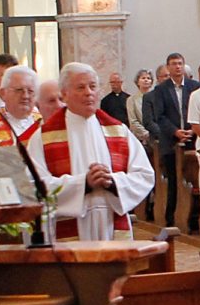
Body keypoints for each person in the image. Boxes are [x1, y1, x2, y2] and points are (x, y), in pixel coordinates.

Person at [28, 63, 154, 242]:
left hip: (111, 221)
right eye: (81, 87)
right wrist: (83, 184)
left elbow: (145, 176)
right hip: (68, 225)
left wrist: (113, 182)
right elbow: (33, 186)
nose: (89, 93)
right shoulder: (44, 137)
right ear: (64, 94)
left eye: (93, 86)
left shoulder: (119, 131)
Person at [144, 53, 200, 230]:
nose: (177, 67)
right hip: (170, 140)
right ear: (168, 67)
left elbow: (199, 111)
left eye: (180, 63)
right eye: (174, 64)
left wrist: (192, 130)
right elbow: (159, 116)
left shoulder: (194, 86)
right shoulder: (161, 89)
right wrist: (175, 132)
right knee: (174, 180)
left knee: (194, 178)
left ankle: (195, 216)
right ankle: (171, 217)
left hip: (193, 137)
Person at [0, 65, 43, 146]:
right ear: (3, 93)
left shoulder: (43, 124)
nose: (25, 96)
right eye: (19, 90)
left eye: (30, 91)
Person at [127, 69, 155, 150]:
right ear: (137, 82)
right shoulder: (131, 100)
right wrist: (146, 134)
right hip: (140, 139)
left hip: (156, 137)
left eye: (148, 78)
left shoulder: (156, 98)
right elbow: (133, 122)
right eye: (143, 78)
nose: (146, 80)